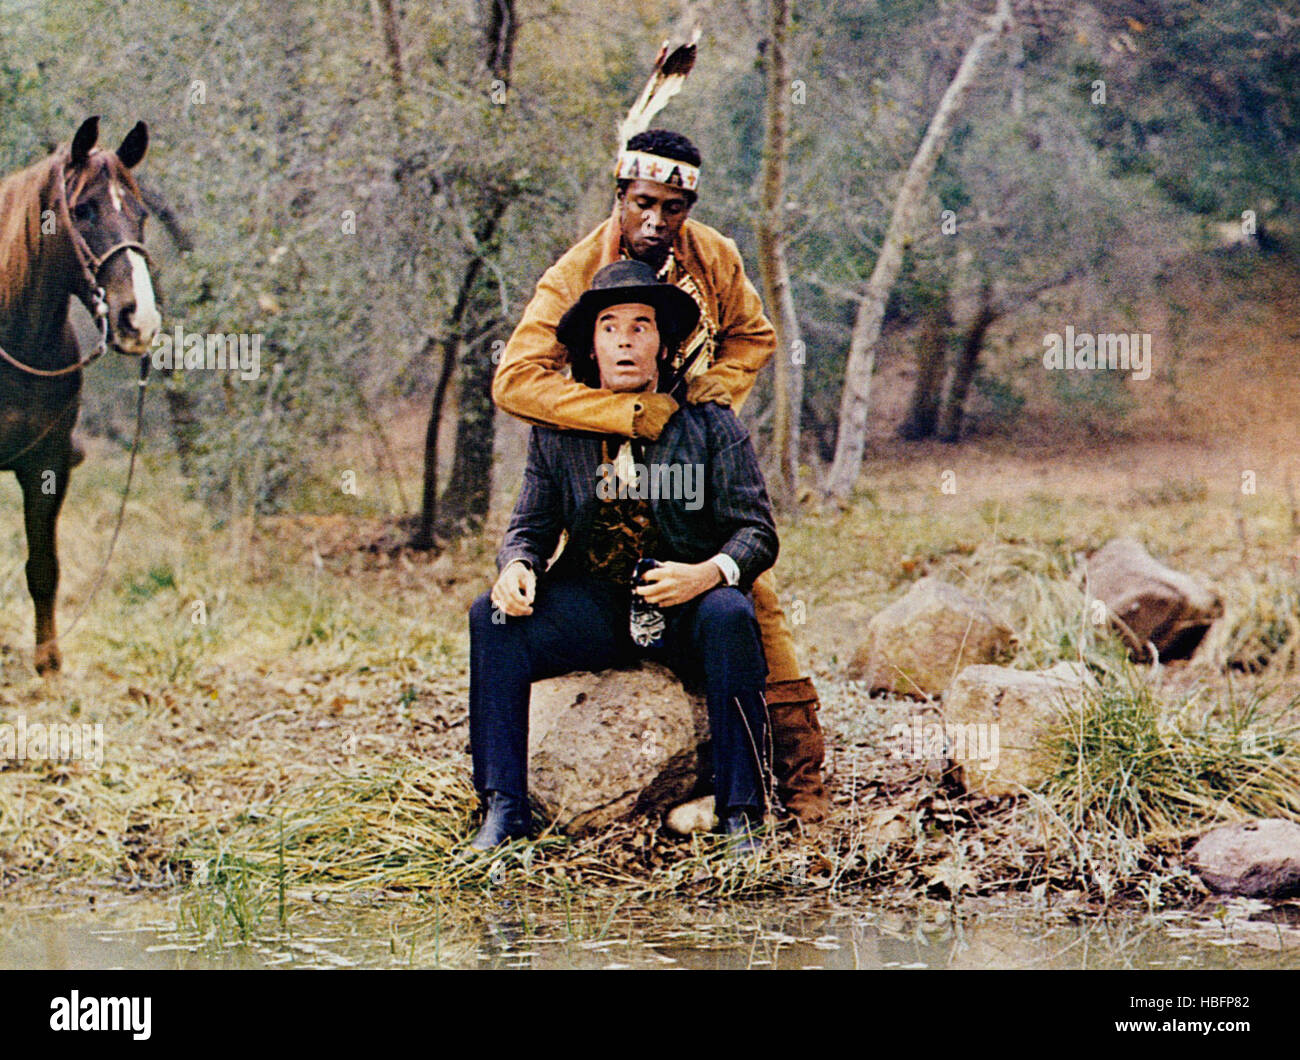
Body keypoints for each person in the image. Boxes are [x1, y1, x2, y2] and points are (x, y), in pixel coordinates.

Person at [492, 128, 828, 825]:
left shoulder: (714, 257)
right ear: (620, 195)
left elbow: (754, 337)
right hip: (602, 459)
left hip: (694, 455)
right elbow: (516, 379)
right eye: (644, 202)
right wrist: (622, 414)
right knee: (516, 608)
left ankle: (795, 779)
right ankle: (506, 799)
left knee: (750, 596)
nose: (657, 221)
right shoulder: (574, 274)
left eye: (674, 207)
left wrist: (711, 395)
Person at [469, 260, 777, 855]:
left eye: (641, 326)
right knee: (493, 618)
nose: (625, 341)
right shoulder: (560, 428)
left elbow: (756, 531)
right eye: (610, 327)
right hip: (596, 606)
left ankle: (743, 813)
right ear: (592, 343)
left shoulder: (709, 422)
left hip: (687, 609)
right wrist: (516, 568)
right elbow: (529, 525)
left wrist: (708, 574)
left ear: (663, 343)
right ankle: (504, 808)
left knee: (732, 616)